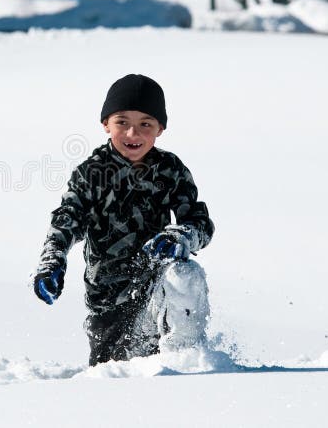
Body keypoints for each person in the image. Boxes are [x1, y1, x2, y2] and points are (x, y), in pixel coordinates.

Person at [32, 74, 215, 366]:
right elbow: (67, 220)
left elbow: (199, 222)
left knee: (186, 272)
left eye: (145, 124)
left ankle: (187, 365)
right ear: (106, 124)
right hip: (110, 312)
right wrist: (52, 263)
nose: (133, 134)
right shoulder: (92, 174)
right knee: (116, 380)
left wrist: (178, 237)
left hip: (156, 297)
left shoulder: (169, 170)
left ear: (160, 129)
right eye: (122, 122)